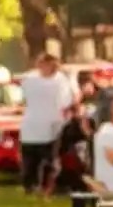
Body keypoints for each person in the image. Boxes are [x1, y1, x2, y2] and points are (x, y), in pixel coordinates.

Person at [18, 53, 73, 196]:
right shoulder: (32, 80)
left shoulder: (59, 81)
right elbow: (65, 102)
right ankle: (31, 186)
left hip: (50, 126)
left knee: (46, 161)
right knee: (33, 161)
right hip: (33, 126)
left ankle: (43, 187)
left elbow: (65, 102)